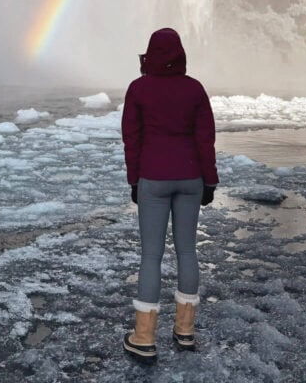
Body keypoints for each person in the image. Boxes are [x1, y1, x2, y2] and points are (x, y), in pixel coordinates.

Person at [121, 27, 218, 362]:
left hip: (153, 179)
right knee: (187, 251)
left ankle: (144, 338)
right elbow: (206, 139)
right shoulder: (194, 90)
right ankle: (185, 331)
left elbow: (131, 139)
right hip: (191, 177)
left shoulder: (138, 89)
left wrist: (135, 180)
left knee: (151, 256)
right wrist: (210, 181)